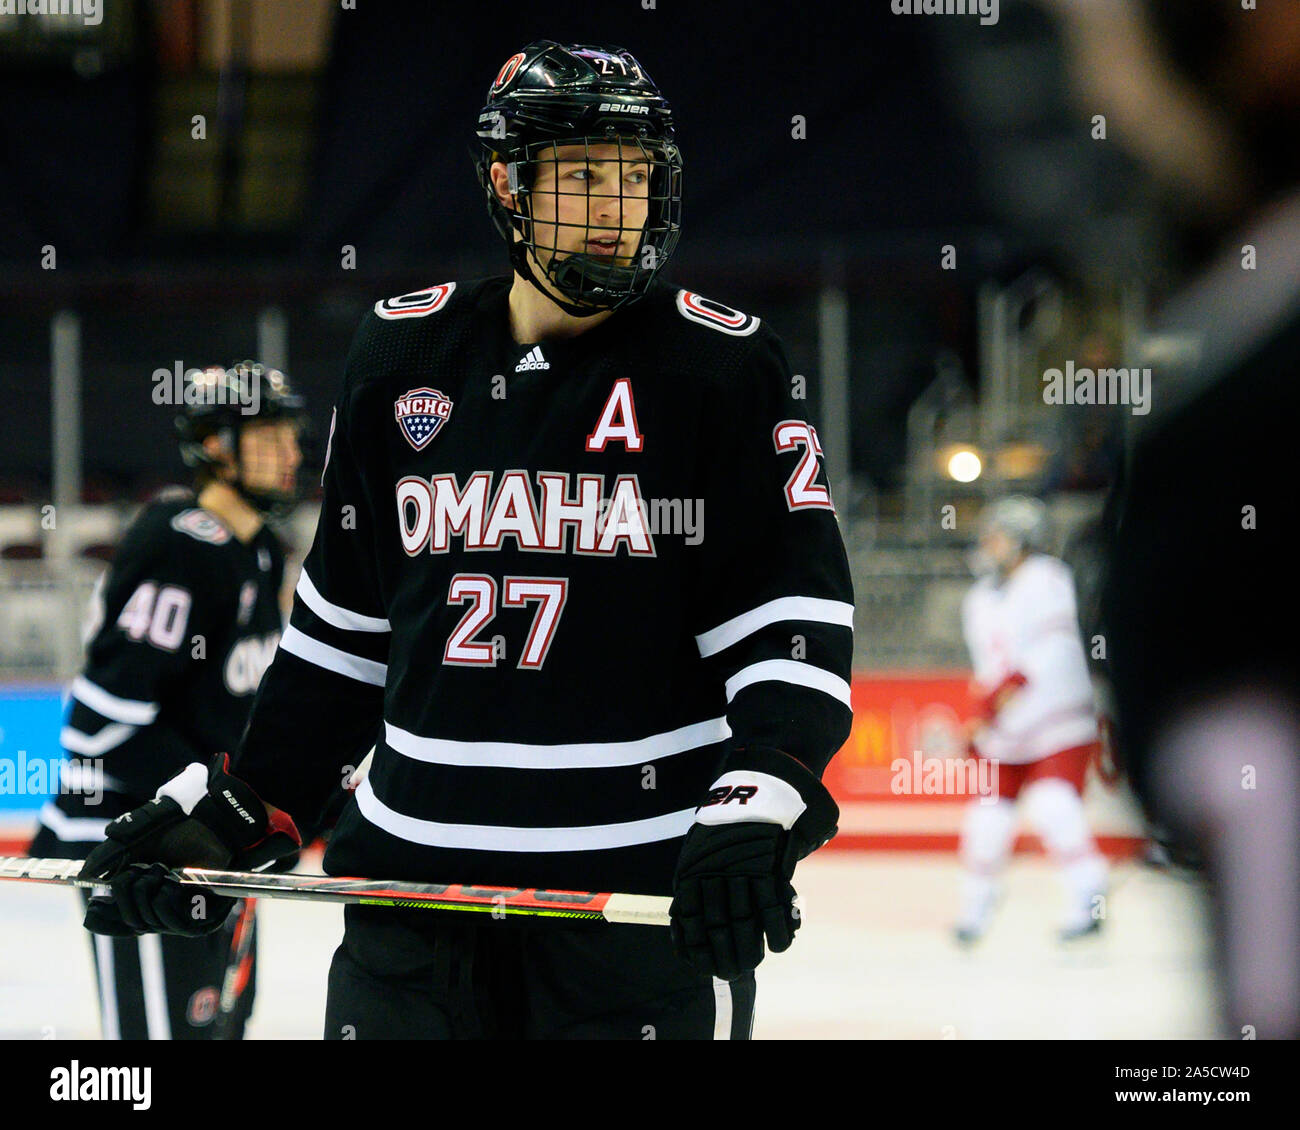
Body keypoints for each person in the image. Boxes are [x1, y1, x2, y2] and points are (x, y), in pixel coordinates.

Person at [76, 40, 855, 1040]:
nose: (619, 206)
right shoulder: (405, 350)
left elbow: (790, 628)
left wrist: (762, 791)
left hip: (625, 906)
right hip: (411, 908)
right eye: (581, 174)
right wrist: (251, 803)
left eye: (636, 174)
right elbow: (341, 639)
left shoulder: (719, 366)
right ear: (506, 184)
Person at [29, 361, 305, 1038]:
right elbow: (97, 722)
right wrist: (207, 803)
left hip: (213, 843)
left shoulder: (262, 548)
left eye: (290, 435)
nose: (293, 452)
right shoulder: (177, 546)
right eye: (270, 434)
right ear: (214, 445)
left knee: (222, 1026)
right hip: (138, 847)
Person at [955, 496, 1107, 944]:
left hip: (1053, 719)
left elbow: (1051, 654)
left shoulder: (1048, 579)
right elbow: (989, 666)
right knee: (985, 821)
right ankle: (976, 909)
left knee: (1054, 807)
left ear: (1022, 539)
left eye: (998, 533)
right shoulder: (980, 596)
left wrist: (996, 704)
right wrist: (986, 710)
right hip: (1007, 726)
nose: (988, 542)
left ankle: (1088, 899)